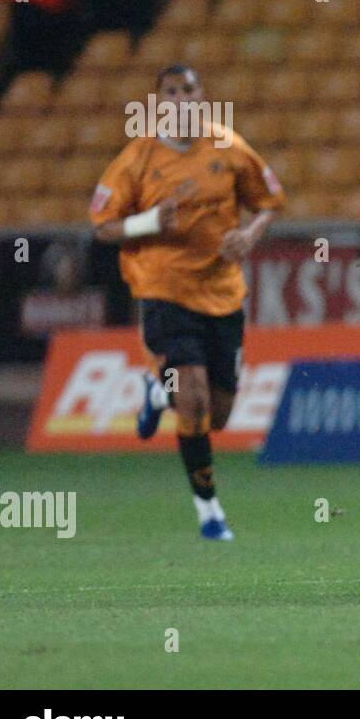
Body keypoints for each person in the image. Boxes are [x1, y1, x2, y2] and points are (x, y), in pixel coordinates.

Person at [90, 65, 286, 538]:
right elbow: (103, 225)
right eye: (171, 92)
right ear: (158, 102)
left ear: (203, 96)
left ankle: (158, 392)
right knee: (194, 401)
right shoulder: (136, 159)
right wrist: (148, 223)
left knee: (218, 415)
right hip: (164, 290)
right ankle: (209, 511)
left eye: (189, 90)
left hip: (222, 294)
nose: (181, 99)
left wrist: (249, 235)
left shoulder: (230, 148)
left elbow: (269, 202)